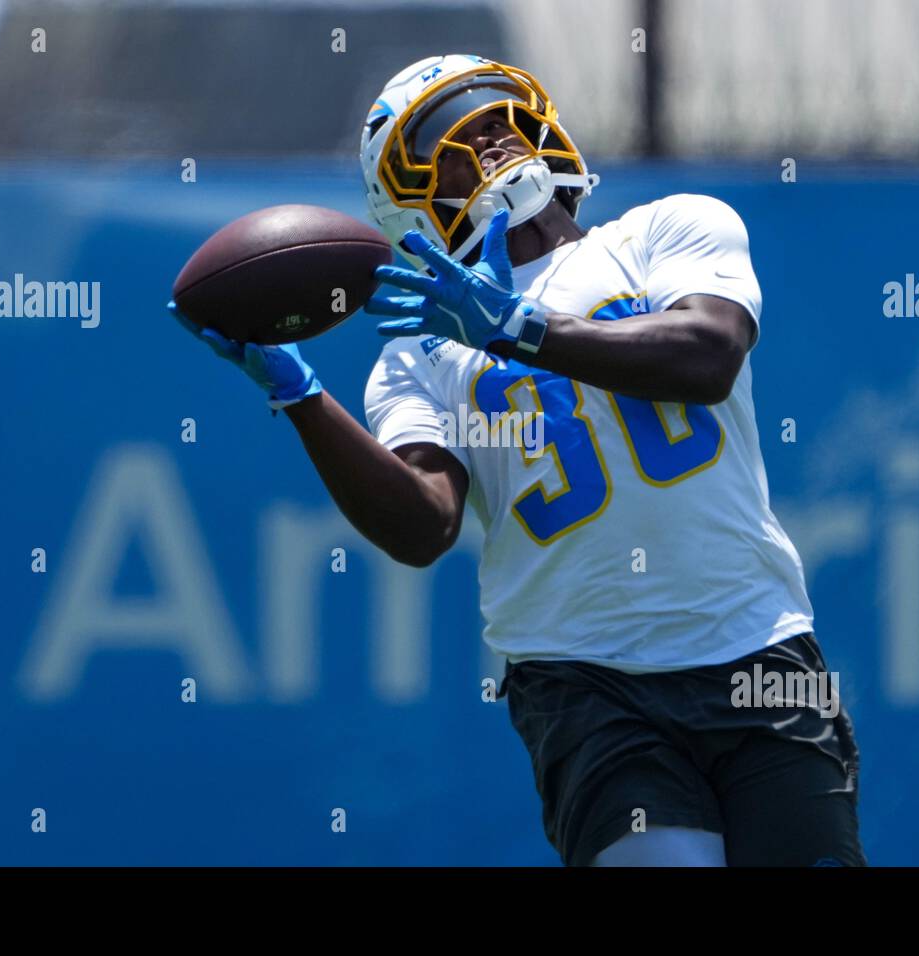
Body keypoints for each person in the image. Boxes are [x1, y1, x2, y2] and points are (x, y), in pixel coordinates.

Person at [171, 54, 866, 867]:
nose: (493, 137)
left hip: (756, 645)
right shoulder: (419, 355)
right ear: (410, 196)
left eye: (504, 114)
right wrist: (303, 401)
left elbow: (707, 357)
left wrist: (517, 330)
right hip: (585, 678)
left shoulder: (666, 228)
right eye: (451, 137)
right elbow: (423, 525)